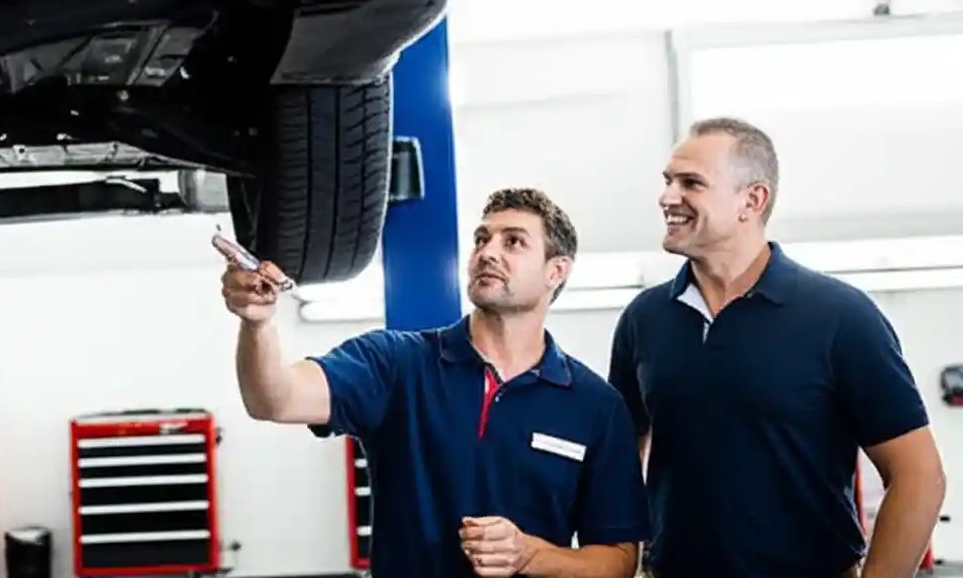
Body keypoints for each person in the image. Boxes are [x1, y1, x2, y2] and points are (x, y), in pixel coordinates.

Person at [222, 188, 650, 578]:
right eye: (482, 239)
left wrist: (528, 554)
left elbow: (617, 561)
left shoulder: (595, 406)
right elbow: (274, 399)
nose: (488, 252)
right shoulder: (395, 363)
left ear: (556, 271)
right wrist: (258, 325)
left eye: (513, 242)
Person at [608, 117, 947, 578]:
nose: (668, 197)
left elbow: (919, 477)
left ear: (753, 199)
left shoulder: (840, 317)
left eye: (691, 183)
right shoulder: (644, 319)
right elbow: (621, 463)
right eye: (667, 181)